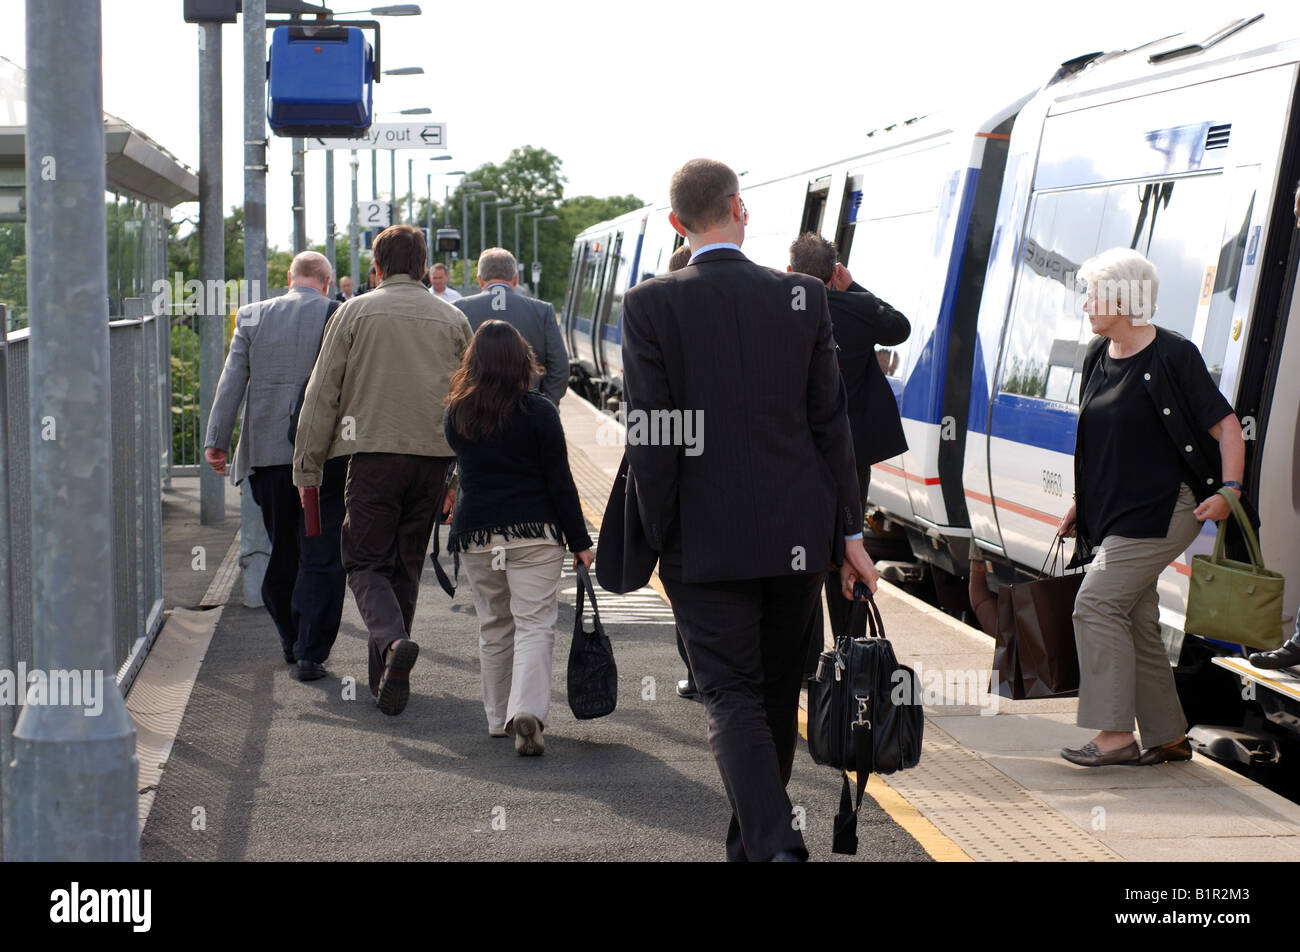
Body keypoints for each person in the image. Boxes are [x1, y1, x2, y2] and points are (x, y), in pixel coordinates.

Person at [620, 158, 879, 862]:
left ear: (677, 224)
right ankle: (756, 846)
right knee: (769, 693)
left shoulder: (649, 304)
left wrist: (664, 527)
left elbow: (653, 434)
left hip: (704, 539)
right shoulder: (803, 297)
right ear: (740, 208)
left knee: (728, 693)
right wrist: (849, 532)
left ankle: (773, 842)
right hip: (798, 535)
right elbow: (832, 425)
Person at [1057, 247, 1247, 767]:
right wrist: (1080, 502)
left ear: (1122, 297)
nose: (1086, 306)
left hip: (1169, 508)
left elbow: (1227, 428)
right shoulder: (1098, 355)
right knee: (1135, 616)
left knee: (1095, 604)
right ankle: (1166, 735)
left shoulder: (1173, 356)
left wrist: (1229, 490)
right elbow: (1101, 442)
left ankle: (1116, 735)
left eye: (1092, 294)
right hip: (1116, 510)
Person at [293, 224, 473, 716]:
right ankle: (386, 680)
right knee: (406, 566)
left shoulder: (354, 312)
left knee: (364, 560)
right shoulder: (454, 319)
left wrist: (307, 469)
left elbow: (322, 393)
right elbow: (468, 400)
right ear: (423, 266)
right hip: (434, 458)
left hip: (372, 455)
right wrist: (462, 473)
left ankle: (393, 645)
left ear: (376, 267)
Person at [444, 321, 595, 755]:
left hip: (477, 535)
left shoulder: (456, 412)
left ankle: (497, 720)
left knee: (494, 625)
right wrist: (580, 541)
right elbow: (560, 481)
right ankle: (526, 710)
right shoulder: (540, 410)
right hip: (535, 536)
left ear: (473, 363)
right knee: (534, 624)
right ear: (521, 361)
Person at [204, 251, 346, 680]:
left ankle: (289, 635)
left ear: (290, 278)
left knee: (282, 548)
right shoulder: (338, 315)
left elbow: (232, 381)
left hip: (266, 455)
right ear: (326, 281)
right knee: (320, 552)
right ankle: (310, 647)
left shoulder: (250, 316)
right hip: (323, 456)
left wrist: (217, 440)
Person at [788, 232, 909, 658]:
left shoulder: (782, 309)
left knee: (805, 557)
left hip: (798, 456)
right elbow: (899, 327)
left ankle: (803, 661)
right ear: (836, 271)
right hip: (851, 457)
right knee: (848, 548)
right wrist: (853, 287)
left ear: (789, 272)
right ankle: (847, 654)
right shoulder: (857, 308)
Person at [455, 248, 569, 406]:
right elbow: (560, 367)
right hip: (528, 408)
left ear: (480, 280)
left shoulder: (457, 310)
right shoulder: (543, 311)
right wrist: (545, 402)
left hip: (473, 411)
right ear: (515, 279)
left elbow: (447, 363)